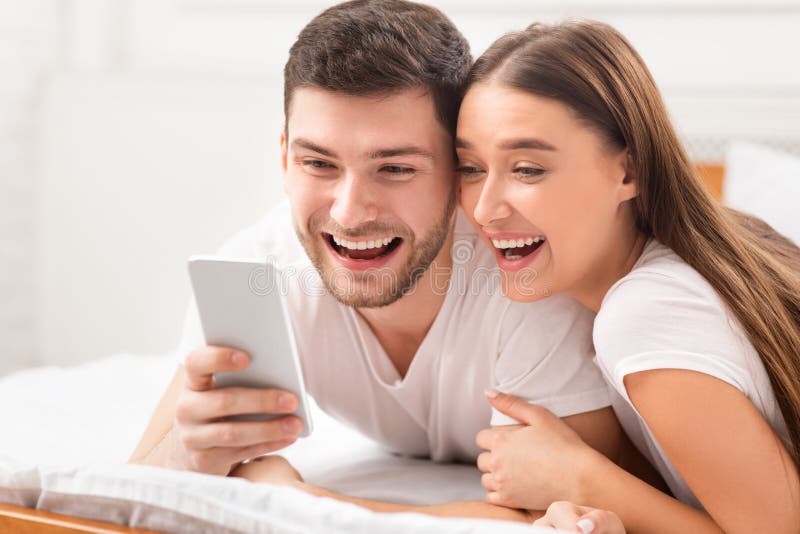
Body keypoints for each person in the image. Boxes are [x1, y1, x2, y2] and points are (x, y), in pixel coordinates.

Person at [129, 1, 622, 523]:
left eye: (395, 168)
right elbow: (135, 481)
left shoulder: (524, 275)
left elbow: (563, 516)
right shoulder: (256, 276)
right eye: (318, 163)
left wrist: (301, 503)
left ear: (459, 171)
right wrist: (184, 456)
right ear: (284, 156)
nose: (349, 213)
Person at [456, 20, 800, 533]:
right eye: (470, 168)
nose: (485, 209)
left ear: (628, 172)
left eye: (527, 169)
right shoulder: (700, 262)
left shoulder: (643, 312)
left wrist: (581, 477)